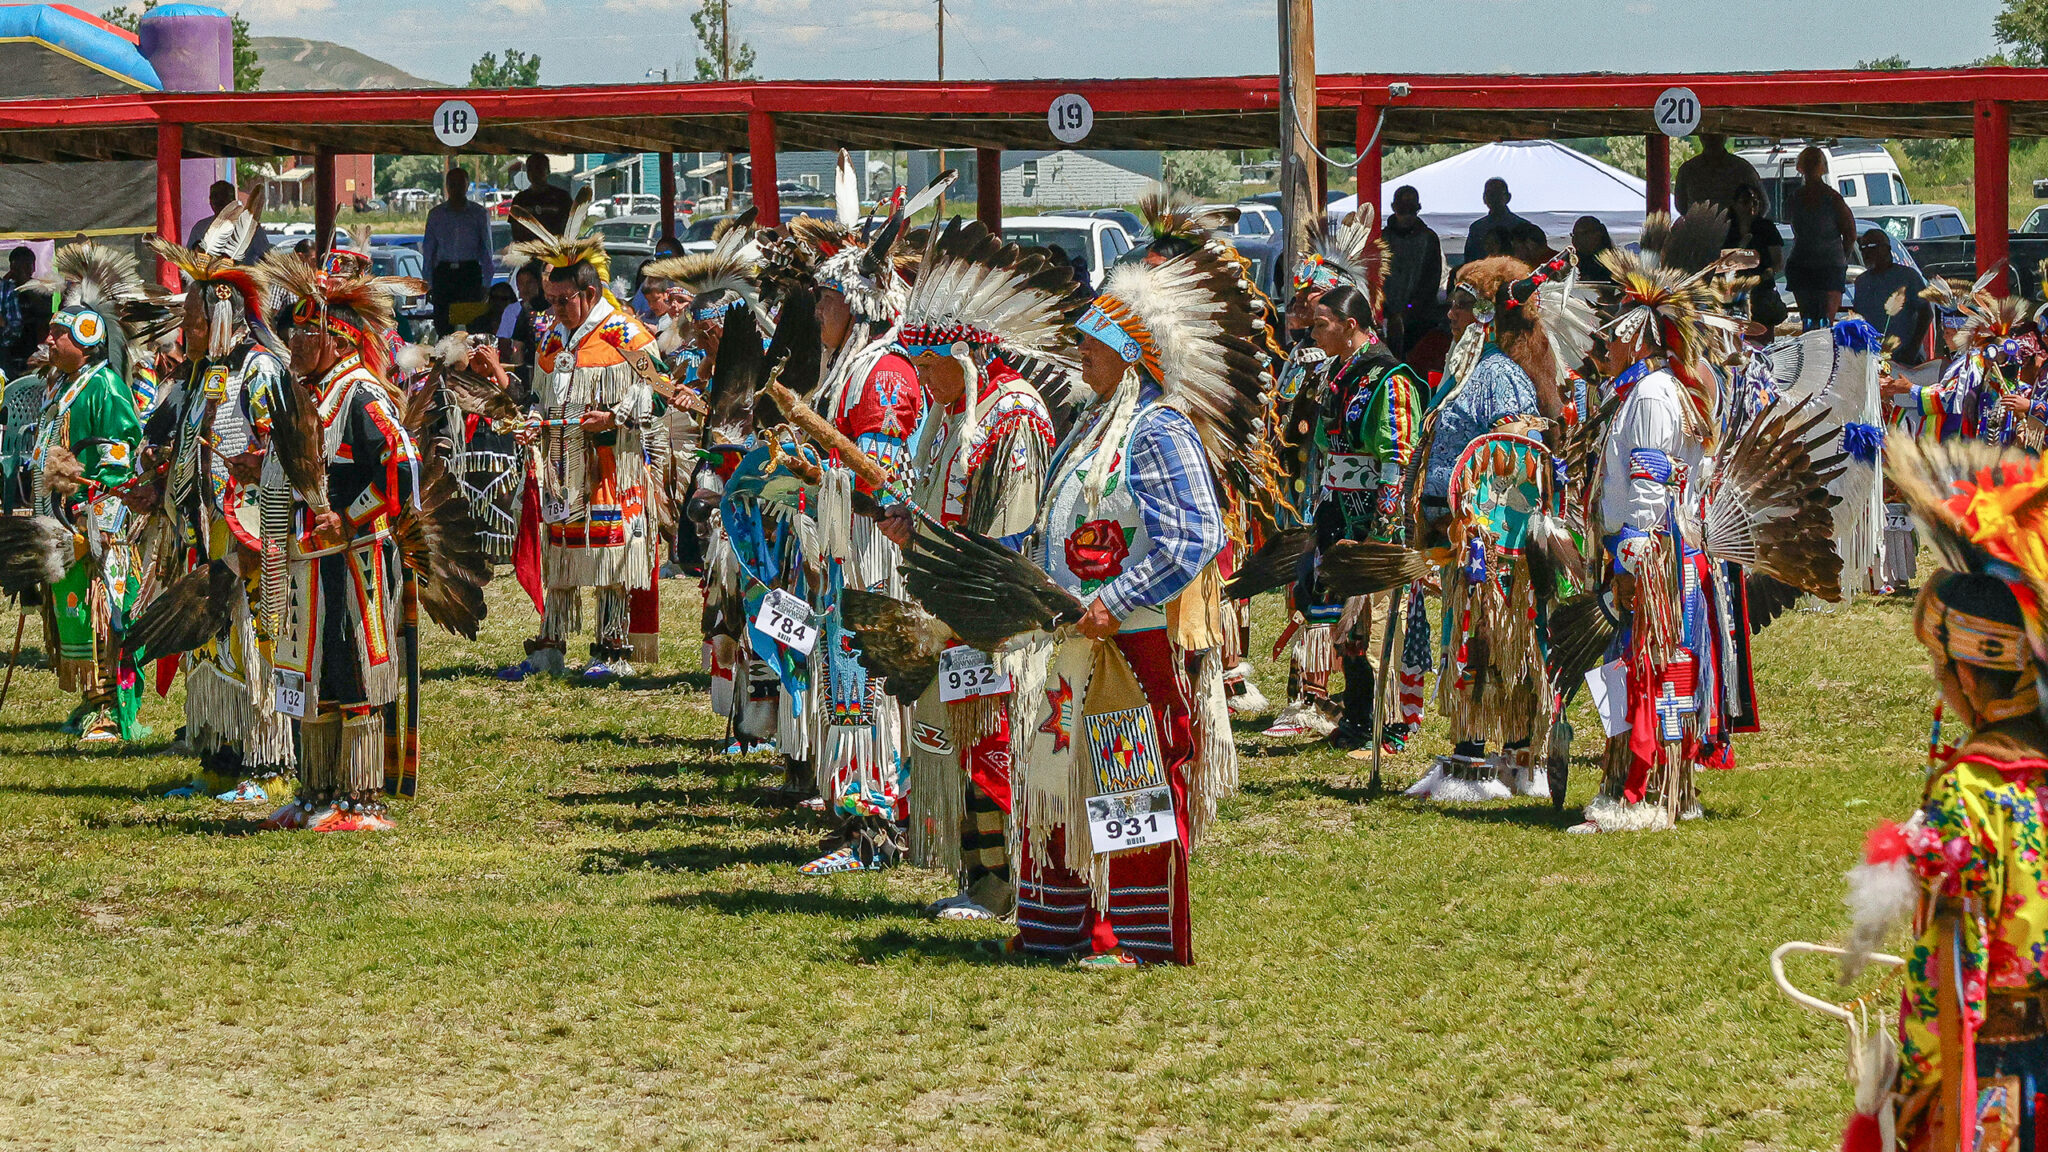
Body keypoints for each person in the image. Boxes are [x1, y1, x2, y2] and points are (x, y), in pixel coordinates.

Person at [988, 244, 1252, 968]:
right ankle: (1059, 929)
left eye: (1092, 346)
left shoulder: (1157, 428)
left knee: (1128, 787)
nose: (1080, 356)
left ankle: (1139, 940)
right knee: (1055, 777)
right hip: (1070, 644)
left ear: (1129, 357)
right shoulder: (1089, 425)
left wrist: (1116, 599)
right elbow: (1055, 526)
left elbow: (1195, 535)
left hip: (1132, 647)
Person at [1832, 441, 2048, 1150]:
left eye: (1943, 668)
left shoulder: (1970, 795)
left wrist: (1902, 1090)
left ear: (1970, 674)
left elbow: (1944, 987)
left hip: (2001, 1087)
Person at [879, 211, 1074, 912]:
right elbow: (936, 505)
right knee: (962, 747)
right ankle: (978, 878)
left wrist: (955, 576)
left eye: (931, 367)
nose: (923, 380)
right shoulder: (947, 412)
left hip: (997, 619)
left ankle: (1005, 885)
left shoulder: (1011, 418)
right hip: (953, 607)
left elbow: (1009, 535)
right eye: (920, 368)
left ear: (962, 357)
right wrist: (912, 531)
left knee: (994, 748)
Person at [253, 248, 423, 832]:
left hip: (356, 563)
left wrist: (349, 520)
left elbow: (402, 467)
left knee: (350, 671)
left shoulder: (359, 393)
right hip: (308, 561)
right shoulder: (309, 390)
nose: (295, 341)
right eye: (293, 330)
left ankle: (359, 798)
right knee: (313, 674)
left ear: (341, 338)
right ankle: (316, 789)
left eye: (308, 331)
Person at [130, 200, 295, 801]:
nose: (185, 333)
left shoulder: (260, 370)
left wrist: (259, 509)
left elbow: (286, 456)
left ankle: (264, 764)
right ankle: (219, 761)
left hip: (250, 542)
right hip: (204, 539)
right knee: (210, 646)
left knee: (252, 645)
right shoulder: (202, 376)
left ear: (223, 316)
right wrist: (161, 482)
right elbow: (192, 448)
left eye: (195, 322)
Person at [497, 189, 668, 682]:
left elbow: (659, 393)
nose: (552, 310)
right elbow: (540, 394)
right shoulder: (553, 338)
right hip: (561, 465)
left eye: (561, 301)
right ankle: (551, 644)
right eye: (547, 301)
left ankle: (612, 649)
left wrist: (614, 416)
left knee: (611, 554)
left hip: (613, 464)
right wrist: (534, 419)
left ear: (588, 293)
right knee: (560, 552)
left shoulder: (626, 335)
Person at [30, 245, 148, 744]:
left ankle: (110, 709)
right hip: (66, 521)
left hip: (98, 525)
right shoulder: (66, 385)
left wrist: (91, 499)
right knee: (74, 612)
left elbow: (122, 452)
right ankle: (90, 702)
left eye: (58, 332)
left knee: (105, 614)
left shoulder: (106, 388)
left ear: (87, 336)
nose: (48, 339)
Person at [1305, 281, 1426, 754]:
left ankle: (1389, 725)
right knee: (1345, 624)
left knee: (1373, 623)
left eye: (1321, 324)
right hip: (1338, 513)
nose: (1312, 333)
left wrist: (1383, 530)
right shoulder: (1341, 373)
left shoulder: (1389, 378)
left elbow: (1398, 458)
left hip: (1374, 520)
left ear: (1350, 325)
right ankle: (1358, 716)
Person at [1784, 146, 1858, 328]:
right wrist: (1841, 258)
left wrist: (1840, 260)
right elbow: (1850, 233)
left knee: (1813, 323)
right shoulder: (1830, 198)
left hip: (1814, 266)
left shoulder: (1799, 198)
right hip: (1821, 267)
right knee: (1821, 323)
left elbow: (1850, 233)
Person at [421, 166, 494, 333]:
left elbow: (486, 250)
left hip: (470, 273)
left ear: (467, 186)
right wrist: (428, 284)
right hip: (444, 274)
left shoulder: (479, 213)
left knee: (475, 325)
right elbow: (429, 252)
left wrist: (487, 283)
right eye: (452, 184)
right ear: (447, 187)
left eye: (460, 184)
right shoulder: (436, 215)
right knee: (443, 326)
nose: (456, 189)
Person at [1850, 229, 1930, 363]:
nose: (1866, 252)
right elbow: (1858, 319)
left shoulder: (1908, 277)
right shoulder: (1861, 282)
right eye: (1862, 248)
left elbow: (1926, 314)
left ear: (1886, 249)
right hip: (1872, 358)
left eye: (1871, 247)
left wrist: (1912, 349)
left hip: (1905, 359)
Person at [1381, 185, 1443, 356]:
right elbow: (1375, 278)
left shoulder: (1429, 238)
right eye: (1403, 209)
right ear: (1394, 208)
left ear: (1418, 209)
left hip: (1419, 320)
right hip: (1386, 317)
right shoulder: (1382, 239)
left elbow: (1431, 281)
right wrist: (1389, 312)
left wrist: (1408, 309)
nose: (1407, 215)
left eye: (1412, 209)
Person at [1726, 185, 1786, 329]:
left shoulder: (1766, 227)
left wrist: (1770, 272)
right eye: (1745, 202)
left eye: (1755, 202)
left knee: (1762, 332)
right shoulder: (1727, 228)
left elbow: (1778, 261)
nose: (1751, 206)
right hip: (1733, 289)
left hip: (1761, 290)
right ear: (1735, 205)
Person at [1672, 134, 1763, 216]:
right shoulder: (1688, 169)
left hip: (1732, 232)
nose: (1711, 138)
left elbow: (1762, 203)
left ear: (1726, 136)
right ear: (1700, 136)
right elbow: (1681, 206)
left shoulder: (1743, 169)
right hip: (1699, 231)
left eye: (1716, 135)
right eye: (1707, 134)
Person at [186, 181, 272, 264]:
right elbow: (188, 260)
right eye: (216, 198)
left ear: (233, 200)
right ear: (210, 201)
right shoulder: (200, 228)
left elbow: (267, 259)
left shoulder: (251, 228)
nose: (220, 203)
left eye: (224, 199)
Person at [1461, 178, 1530, 272]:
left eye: (1497, 194)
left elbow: (1530, 260)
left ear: (1508, 197)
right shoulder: (1477, 228)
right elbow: (1470, 261)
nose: (1493, 198)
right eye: (1489, 194)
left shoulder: (1522, 227)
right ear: (1484, 198)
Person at [6, 247, 51, 377]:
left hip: (34, 345)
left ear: (33, 267)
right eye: (19, 265)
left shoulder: (40, 287)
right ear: (12, 266)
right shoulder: (5, 288)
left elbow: (45, 311)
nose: (23, 269)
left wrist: (26, 285)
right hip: (9, 348)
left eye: (28, 265)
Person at [509, 154, 573, 237]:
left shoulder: (562, 197)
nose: (535, 173)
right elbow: (515, 229)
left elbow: (570, 227)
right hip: (528, 248)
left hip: (556, 247)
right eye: (530, 169)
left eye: (539, 169)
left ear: (548, 171)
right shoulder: (520, 199)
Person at [1570, 216, 1616, 284]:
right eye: (1574, 235)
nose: (1576, 239)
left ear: (1599, 234)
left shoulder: (1616, 264)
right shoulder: (1569, 261)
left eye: (1583, 234)